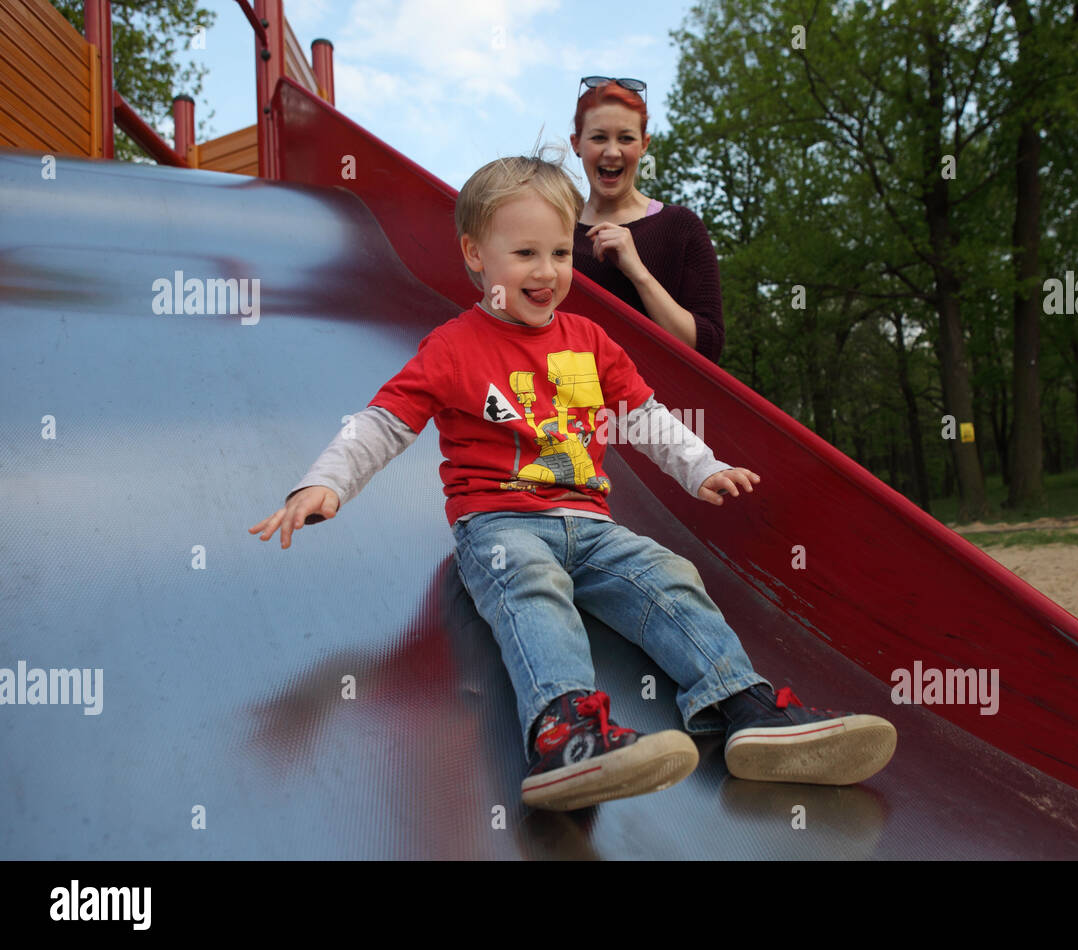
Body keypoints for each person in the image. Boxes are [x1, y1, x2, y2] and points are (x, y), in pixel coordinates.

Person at [249, 154, 896, 811]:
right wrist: (323, 483)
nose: (547, 271)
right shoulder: (454, 346)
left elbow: (644, 418)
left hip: (591, 525)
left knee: (668, 575)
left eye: (560, 252)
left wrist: (703, 467)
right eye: (525, 252)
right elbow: (383, 423)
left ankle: (743, 706)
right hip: (499, 525)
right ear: (475, 254)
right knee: (533, 587)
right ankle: (564, 733)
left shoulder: (589, 338)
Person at [570, 77, 726, 363]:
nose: (612, 151)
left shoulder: (681, 227)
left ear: (644, 144)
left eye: (626, 138)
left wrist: (637, 271)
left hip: (658, 407)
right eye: (598, 137)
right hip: (565, 405)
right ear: (576, 143)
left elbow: (707, 350)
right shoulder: (554, 231)